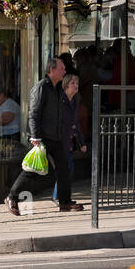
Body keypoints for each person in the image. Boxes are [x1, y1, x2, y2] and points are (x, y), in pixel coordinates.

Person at [6, 57, 84, 215]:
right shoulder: (41, 87)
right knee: (32, 170)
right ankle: (12, 197)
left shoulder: (58, 89)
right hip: (42, 138)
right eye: (61, 68)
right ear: (52, 70)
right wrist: (35, 136)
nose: (64, 71)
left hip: (56, 137)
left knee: (64, 168)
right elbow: (33, 113)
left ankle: (65, 202)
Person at [52, 72, 87, 202]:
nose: (76, 85)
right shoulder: (60, 100)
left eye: (77, 83)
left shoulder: (74, 102)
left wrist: (82, 142)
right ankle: (59, 196)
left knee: (67, 168)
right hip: (58, 141)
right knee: (66, 168)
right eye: (73, 83)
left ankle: (60, 196)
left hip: (68, 142)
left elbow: (75, 123)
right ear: (66, 85)